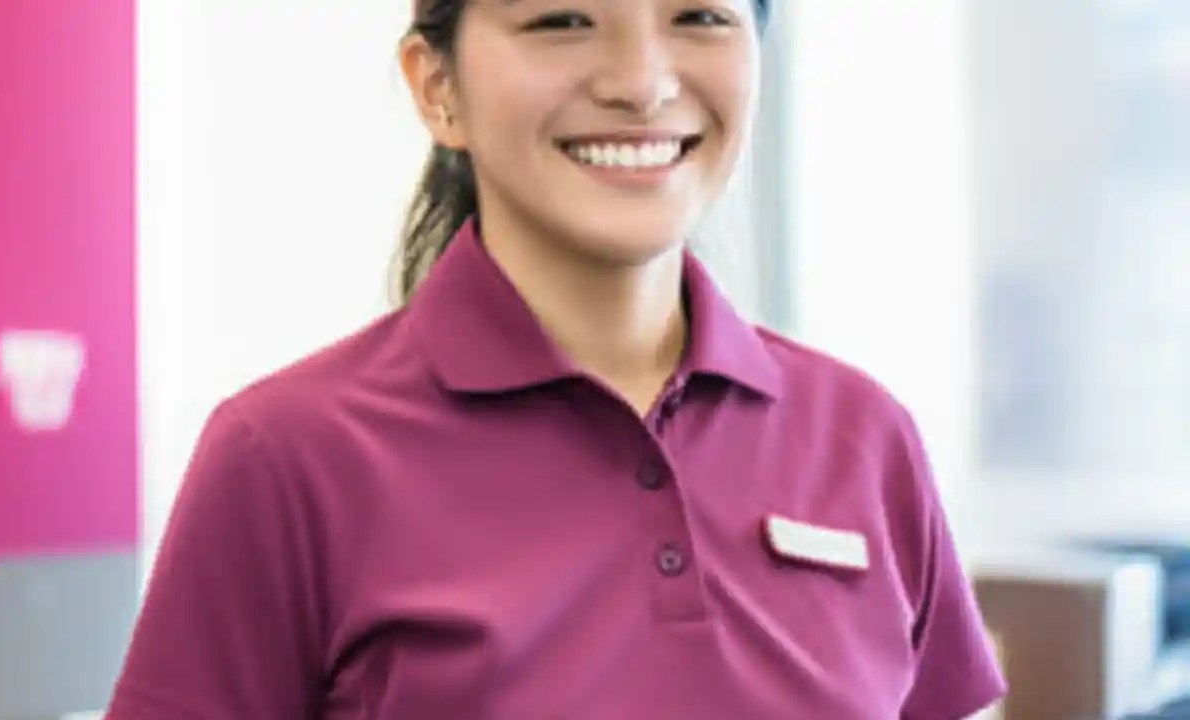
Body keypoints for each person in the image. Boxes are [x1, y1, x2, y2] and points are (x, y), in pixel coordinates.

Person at [106, 0, 1008, 717]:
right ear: (437, 86)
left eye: (700, 16)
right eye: (560, 21)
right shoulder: (286, 456)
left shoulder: (860, 434)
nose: (642, 83)